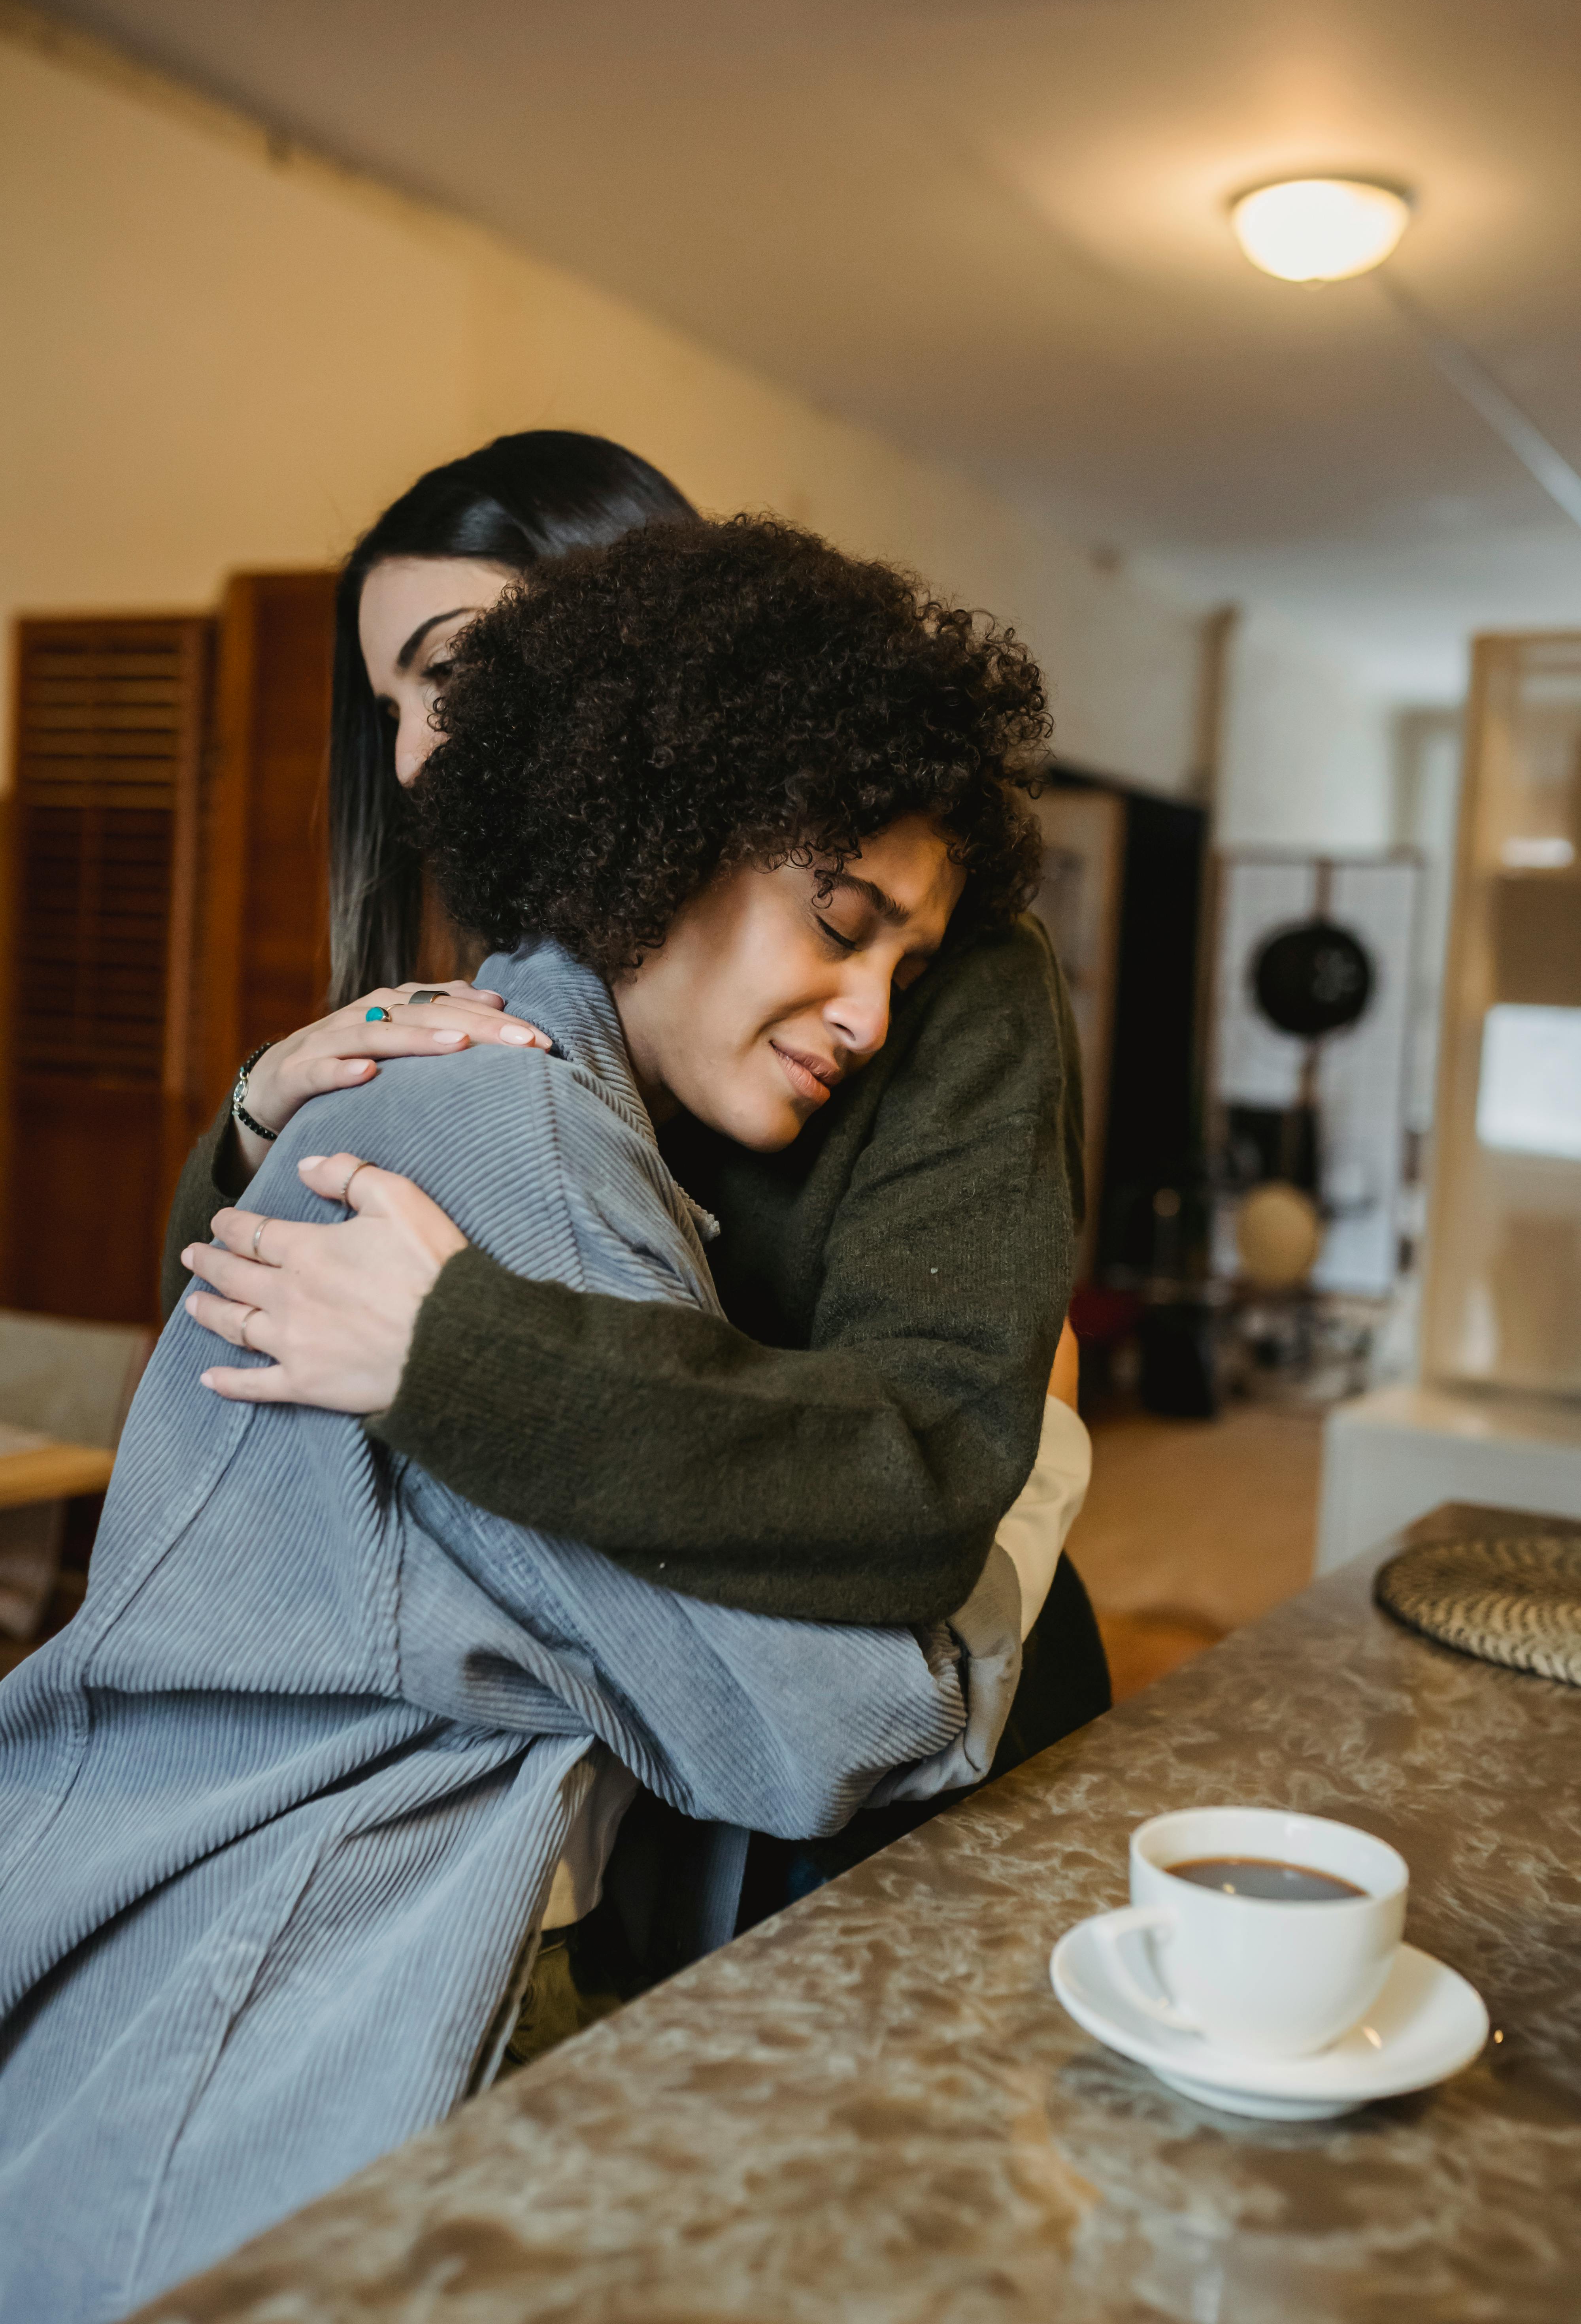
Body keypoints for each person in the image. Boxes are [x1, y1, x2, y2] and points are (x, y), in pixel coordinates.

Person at [2, 516, 1054, 2317]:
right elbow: (828, 1731)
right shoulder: (525, 1132)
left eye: (462, 671)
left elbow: (926, 1448)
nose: (874, 1010)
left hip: (112, 1868)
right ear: (664, 812)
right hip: (289, 1959)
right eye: (843, 927)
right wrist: (999, 1582)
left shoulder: (493, 1069)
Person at [161, 428, 1102, 1971]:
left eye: (451, 672)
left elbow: (921, 1479)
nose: (410, 755)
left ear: (644, 678)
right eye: (388, 703)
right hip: (623, 1782)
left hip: (905, 1766)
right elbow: (231, 1365)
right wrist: (267, 1109)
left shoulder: (950, 991)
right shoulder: (501, 1009)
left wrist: (458, 1358)